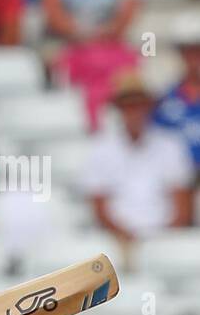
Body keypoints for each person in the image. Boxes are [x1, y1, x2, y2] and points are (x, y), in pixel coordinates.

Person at [81, 71, 194, 243]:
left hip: (165, 239)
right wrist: (125, 238)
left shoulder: (171, 145)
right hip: (118, 241)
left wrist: (162, 240)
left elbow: (183, 208)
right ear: (119, 109)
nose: (135, 112)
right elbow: (99, 209)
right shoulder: (101, 149)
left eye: (139, 105)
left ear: (149, 107)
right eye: (128, 106)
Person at [153, 13, 200, 169]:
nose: (195, 57)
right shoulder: (163, 101)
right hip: (177, 184)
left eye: (198, 50)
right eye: (189, 51)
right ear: (181, 54)